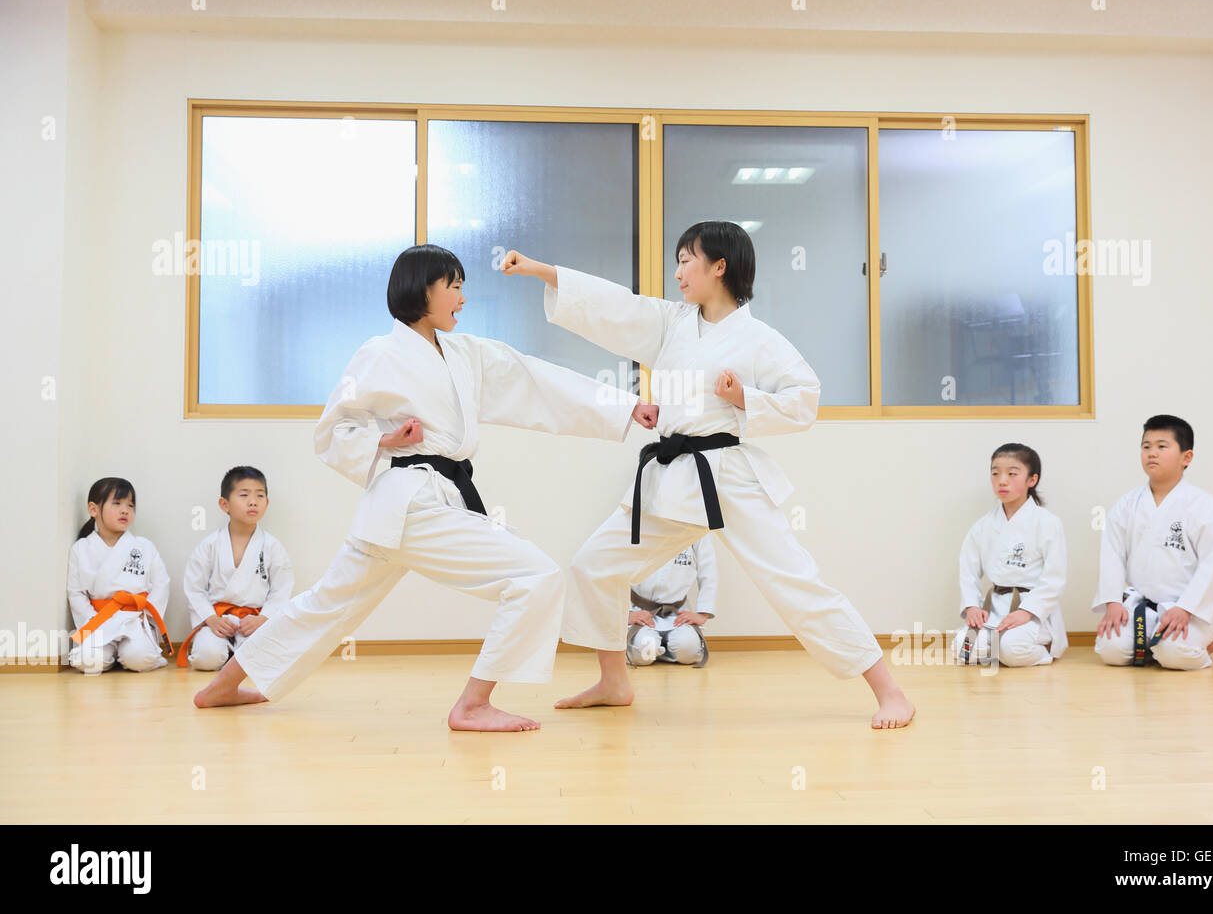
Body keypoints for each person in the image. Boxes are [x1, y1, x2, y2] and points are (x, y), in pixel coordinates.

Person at [194, 244, 637, 731]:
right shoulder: (379, 353)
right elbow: (332, 430)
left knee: (327, 604)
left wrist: (623, 407)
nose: (463, 298)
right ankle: (471, 705)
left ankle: (221, 687)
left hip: (406, 508)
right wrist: (384, 440)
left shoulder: (466, 353)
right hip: (412, 500)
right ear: (421, 289)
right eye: (454, 286)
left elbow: (536, 380)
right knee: (537, 576)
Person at [501, 221, 914, 728]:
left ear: (720, 266)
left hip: (727, 478)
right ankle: (614, 681)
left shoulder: (761, 340)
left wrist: (744, 398)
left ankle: (890, 692)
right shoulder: (672, 322)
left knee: (794, 581)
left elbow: (805, 400)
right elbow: (615, 306)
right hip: (672, 476)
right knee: (593, 564)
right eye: (676, 261)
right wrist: (540, 270)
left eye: (686, 260)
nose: (677, 272)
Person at [1094, 415, 1213, 669]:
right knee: (1110, 651)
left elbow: (1211, 566)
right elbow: (1112, 555)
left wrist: (1186, 608)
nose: (1151, 453)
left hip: (1189, 609)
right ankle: (1153, 644)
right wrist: (1113, 601)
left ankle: (1200, 645)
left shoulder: (1205, 506)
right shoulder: (1127, 504)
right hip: (1141, 607)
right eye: (1146, 446)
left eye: (1161, 446)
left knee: (1176, 654)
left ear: (1186, 457)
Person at [952, 443, 1067, 667]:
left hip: (1032, 608)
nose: (1002, 480)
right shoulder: (983, 526)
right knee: (961, 647)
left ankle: (1042, 652)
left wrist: (1027, 611)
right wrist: (972, 606)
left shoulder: (1048, 523)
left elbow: (1055, 578)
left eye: (1012, 474)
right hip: (995, 607)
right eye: (995, 473)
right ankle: (998, 649)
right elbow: (968, 570)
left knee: (1012, 649)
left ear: (1031, 480)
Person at [178, 466, 293, 670]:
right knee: (206, 658)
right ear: (224, 504)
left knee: (264, 661)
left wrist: (263, 618)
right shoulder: (209, 545)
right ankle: (226, 652)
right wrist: (211, 619)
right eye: (244, 495)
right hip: (219, 621)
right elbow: (194, 589)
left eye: (260, 495)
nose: (253, 502)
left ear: (267, 503)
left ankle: (235, 655)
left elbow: (281, 590)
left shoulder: (273, 547)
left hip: (254, 621)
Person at [67, 477, 172, 674]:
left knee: (139, 659)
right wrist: (92, 620)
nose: (125, 510)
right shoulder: (81, 549)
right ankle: (110, 654)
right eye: (117, 503)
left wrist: (144, 617)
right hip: (98, 620)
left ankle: (129, 653)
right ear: (93, 509)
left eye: (130, 505)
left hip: (134, 620)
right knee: (88, 662)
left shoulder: (144, 546)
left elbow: (161, 584)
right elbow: (76, 593)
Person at [627, 537, 717, 667]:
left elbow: (709, 572)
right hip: (641, 611)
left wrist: (703, 614)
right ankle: (656, 648)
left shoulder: (697, 526)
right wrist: (628, 613)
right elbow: (615, 571)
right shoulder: (633, 522)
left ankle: (663, 649)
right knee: (644, 653)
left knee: (688, 651)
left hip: (677, 613)